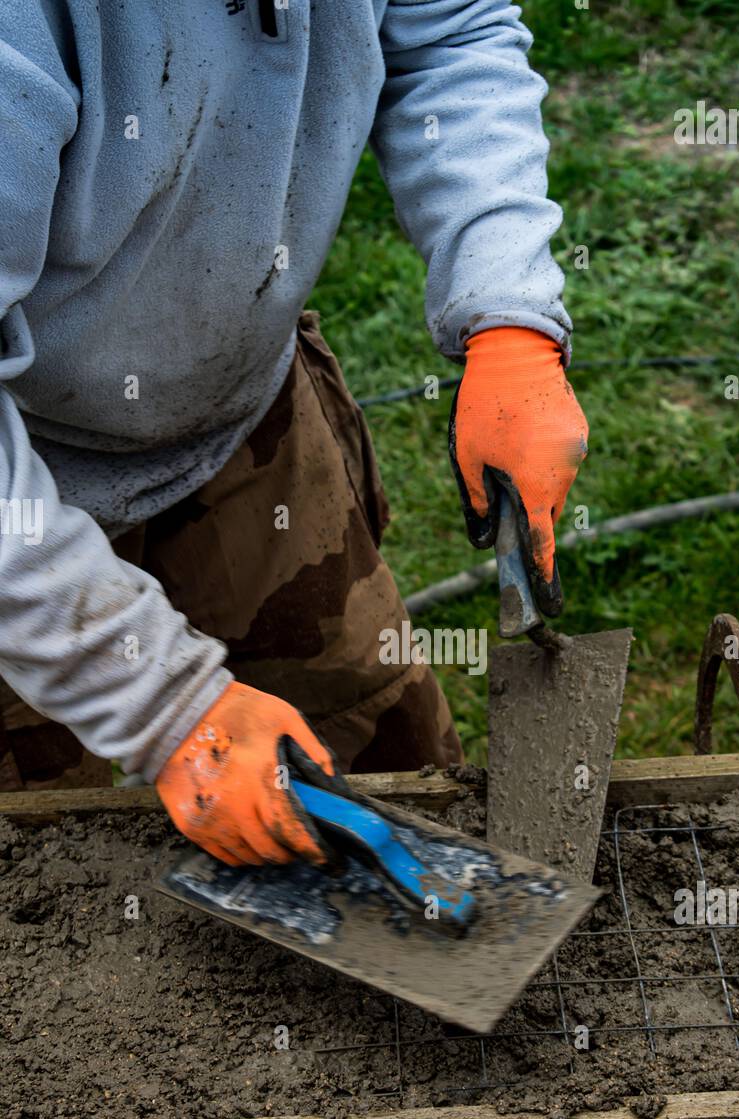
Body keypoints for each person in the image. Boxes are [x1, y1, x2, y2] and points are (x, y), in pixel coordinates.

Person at [0, 0, 587, 866]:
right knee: (51, 875)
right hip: (26, 484)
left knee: (381, 746)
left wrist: (509, 324)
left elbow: (449, 34)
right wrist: (167, 707)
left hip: (239, 421)